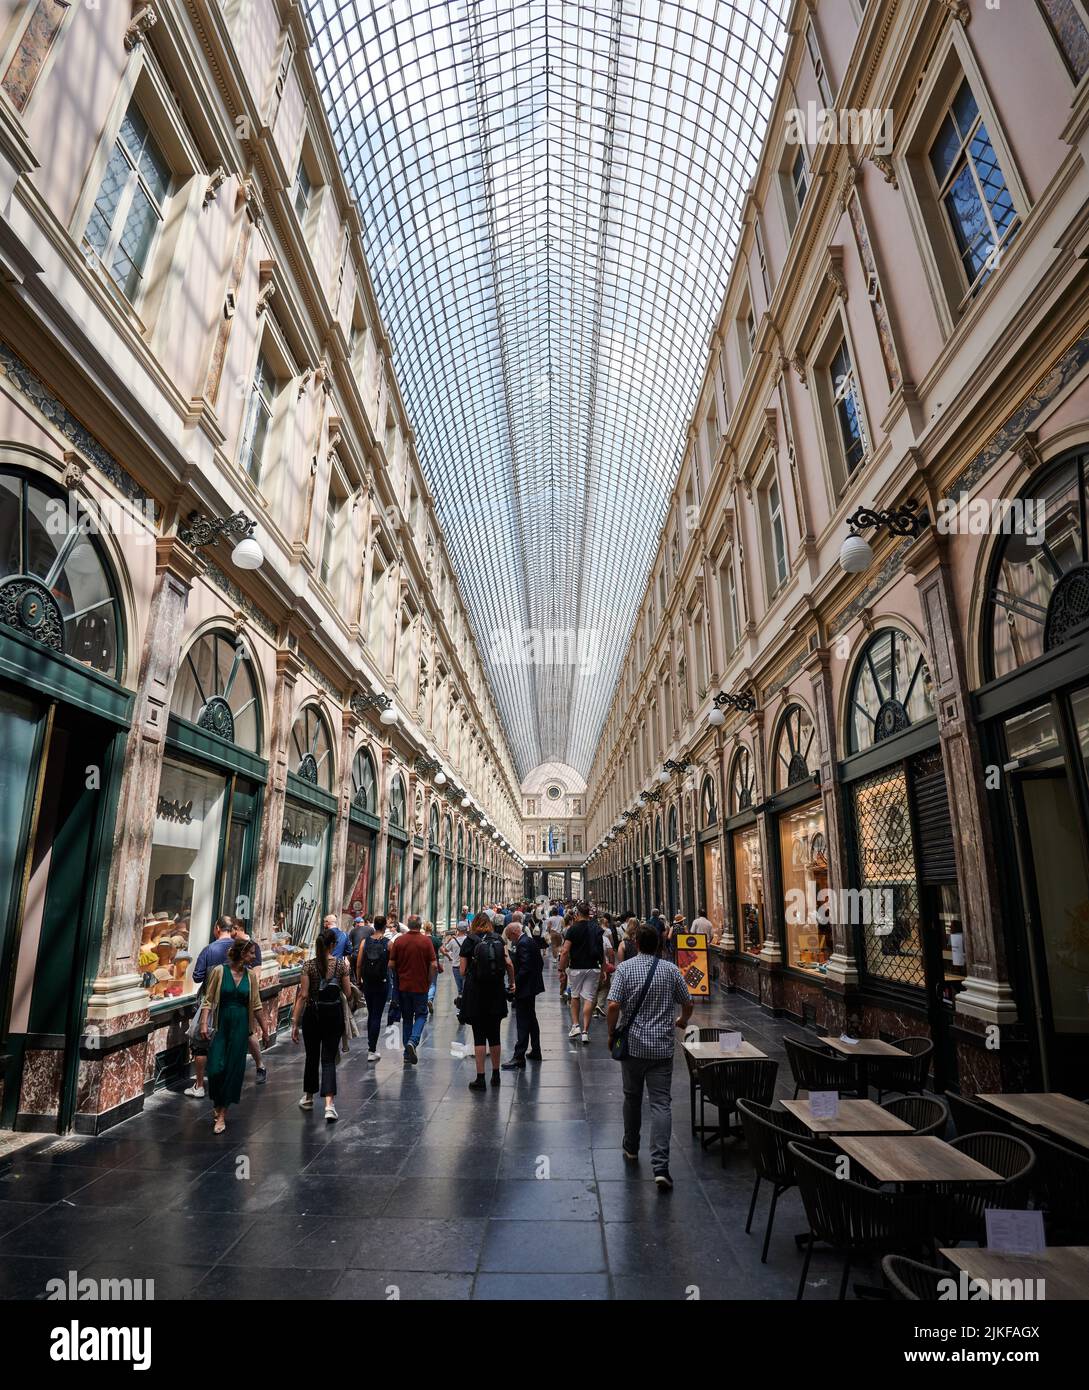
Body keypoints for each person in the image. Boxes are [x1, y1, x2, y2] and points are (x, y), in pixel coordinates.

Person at [607, 924, 693, 1190]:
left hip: (632, 1046)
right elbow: (688, 1002)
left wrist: (612, 1033)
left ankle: (631, 1147)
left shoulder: (624, 968)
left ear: (635, 943)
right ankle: (660, 1166)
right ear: (658, 944)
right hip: (661, 1048)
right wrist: (682, 1021)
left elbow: (612, 1005)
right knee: (660, 1104)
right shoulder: (669, 970)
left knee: (632, 1097)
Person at [200, 939, 264, 1134]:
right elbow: (208, 999)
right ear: (242, 954)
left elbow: (256, 1004)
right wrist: (204, 1023)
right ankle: (218, 1102)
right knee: (215, 1068)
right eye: (252, 953)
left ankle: (221, 1115)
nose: (254, 957)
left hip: (241, 1027)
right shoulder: (220, 971)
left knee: (233, 1070)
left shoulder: (251, 976)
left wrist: (265, 1029)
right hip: (221, 1026)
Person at [290, 927, 351, 1120]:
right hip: (333, 1014)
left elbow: (304, 995)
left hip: (313, 1015)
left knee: (312, 1056)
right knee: (328, 1058)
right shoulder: (341, 965)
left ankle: (308, 1097)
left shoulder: (308, 966)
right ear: (333, 945)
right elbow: (348, 994)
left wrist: (294, 1022)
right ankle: (329, 1105)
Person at [460, 911, 515, 1090]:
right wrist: (512, 983)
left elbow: (462, 970)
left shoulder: (469, 941)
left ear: (474, 923)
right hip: (496, 991)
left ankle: (481, 1078)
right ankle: (496, 1075)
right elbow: (509, 964)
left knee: (479, 1036)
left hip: (476, 992)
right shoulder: (498, 939)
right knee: (495, 1035)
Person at [185, 915, 234, 1098]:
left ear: (217, 928)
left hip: (209, 1003)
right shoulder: (238, 949)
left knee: (201, 1044)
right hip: (231, 1004)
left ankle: (199, 1085)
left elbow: (197, 977)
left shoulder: (209, 950)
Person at [388, 914, 436, 1064]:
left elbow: (390, 964)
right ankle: (413, 1042)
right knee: (421, 1015)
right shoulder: (426, 941)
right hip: (420, 987)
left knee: (407, 1018)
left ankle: (407, 1055)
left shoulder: (400, 940)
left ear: (408, 925)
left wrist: (397, 976)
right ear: (420, 925)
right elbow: (434, 965)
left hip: (403, 987)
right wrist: (429, 980)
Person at [559, 901, 605, 1044]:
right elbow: (601, 950)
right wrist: (603, 969)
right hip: (593, 967)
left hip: (576, 968)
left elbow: (565, 951)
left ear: (577, 914)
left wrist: (561, 969)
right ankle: (585, 1031)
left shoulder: (572, 930)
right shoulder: (596, 928)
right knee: (590, 998)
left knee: (575, 996)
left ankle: (575, 1025)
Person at [501, 917, 544, 1069]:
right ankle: (536, 1050)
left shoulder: (523, 943)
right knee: (531, 1018)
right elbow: (539, 963)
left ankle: (519, 1056)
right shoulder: (530, 941)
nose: (510, 940)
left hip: (525, 989)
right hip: (531, 987)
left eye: (509, 936)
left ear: (514, 933)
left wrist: (514, 983)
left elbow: (524, 967)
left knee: (522, 1022)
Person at [357, 914, 390, 1061]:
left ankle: (371, 1046)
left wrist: (359, 980)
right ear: (385, 927)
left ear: (373, 926)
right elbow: (393, 965)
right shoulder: (389, 943)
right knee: (377, 1014)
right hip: (382, 982)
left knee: (371, 1013)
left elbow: (358, 964)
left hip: (368, 982)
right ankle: (372, 1049)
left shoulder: (365, 942)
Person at [593, 912, 618, 1019]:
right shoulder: (605, 939)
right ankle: (600, 1004)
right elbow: (610, 952)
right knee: (605, 986)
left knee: (593, 988)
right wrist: (611, 963)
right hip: (605, 966)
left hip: (592, 966)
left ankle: (594, 1009)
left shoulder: (590, 939)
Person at [442, 920, 468, 1007]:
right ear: (466, 929)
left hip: (456, 967)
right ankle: (465, 1006)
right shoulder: (468, 940)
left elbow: (445, 950)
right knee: (466, 988)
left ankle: (460, 1007)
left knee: (460, 989)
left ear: (457, 929)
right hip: (466, 967)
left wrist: (449, 940)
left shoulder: (453, 941)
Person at [426, 920, 443, 1014]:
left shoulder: (422, 939)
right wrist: (448, 956)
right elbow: (443, 950)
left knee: (424, 982)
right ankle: (430, 999)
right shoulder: (436, 940)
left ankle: (423, 999)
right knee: (432, 983)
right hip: (433, 963)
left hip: (423, 964)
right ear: (432, 929)